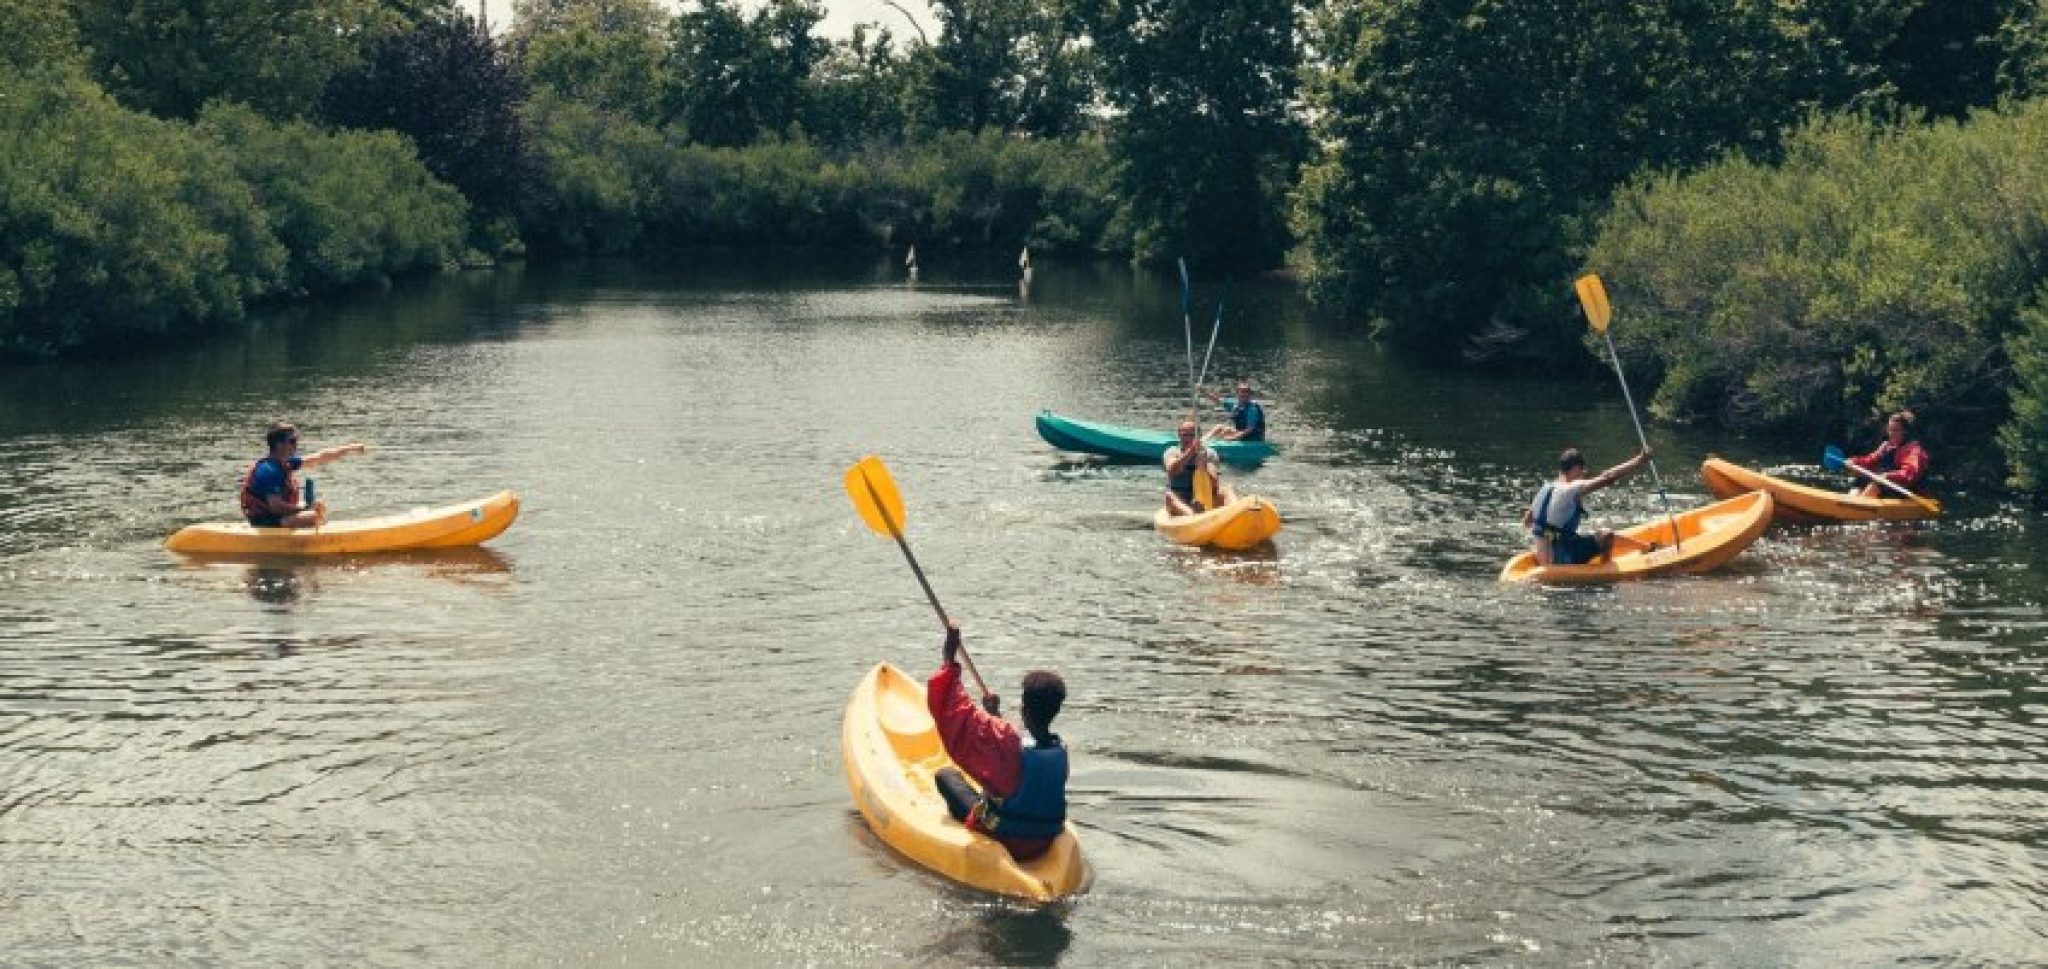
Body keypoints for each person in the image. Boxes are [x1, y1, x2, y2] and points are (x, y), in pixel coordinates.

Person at [927, 622, 1068, 861]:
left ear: (1024, 708)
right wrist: (994, 715)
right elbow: (1015, 755)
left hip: (1003, 831)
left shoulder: (1006, 741)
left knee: (946, 777)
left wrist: (949, 657)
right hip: (1044, 835)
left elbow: (954, 714)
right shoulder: (1059, 750)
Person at [1521, 446, 1655, 566]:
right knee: (1606, 535)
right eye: (1581, 470)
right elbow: (1608, 477)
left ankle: (1646, 547)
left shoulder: (1545, 489)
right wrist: (1640, 460)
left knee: (1576, 536)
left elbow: (1527, 522)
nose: (1582, 474)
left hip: (1542, 556)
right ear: (1575, 468)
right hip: (1561, 559)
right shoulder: (1571, 488)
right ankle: (1606, 568)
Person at [239, 421, 368, 527]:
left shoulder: (286, 462)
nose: (296, 445)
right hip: (264, 521)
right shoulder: (269, 470)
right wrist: (305, 510)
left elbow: (320, 457)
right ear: (279, 445)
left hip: (274, 515)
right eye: (292, 441)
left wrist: (351, 448)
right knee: (312, 515)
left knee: (317, 505)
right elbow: (276, 507)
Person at [1847, 409, 1929, 498]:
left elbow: (1909, 473)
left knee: (1877, 483)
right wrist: (1854, 462)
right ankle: (1850, 504)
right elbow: (1870, 460)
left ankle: (1860, 506)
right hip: (1886, 484)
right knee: (1860, 479)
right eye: (1890, 429)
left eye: (1896, 430)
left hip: (1904, 489)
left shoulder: (1913, 450)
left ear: (1905, 431)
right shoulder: (1886, 446)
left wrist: (1888, 476)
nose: (1891, 433)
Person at [1162, 420, 1236, 516]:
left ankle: (1235, 514)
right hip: (1182, 498)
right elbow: (1172, 472)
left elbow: (1214, 484)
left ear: (1199, 437)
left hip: (1205, 498)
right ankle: (1192, 516)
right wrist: (1190, 452)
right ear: (1179, 436)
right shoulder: (1171, 452)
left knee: (1226, 491)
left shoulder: (1209, 453)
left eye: (1192, 435)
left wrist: (1204, 466)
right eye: (1185, 435)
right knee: (1169, 496)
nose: (1188, 439)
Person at [1202, 381, 1267, 442]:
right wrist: (1203, 391)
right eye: (1241, 391)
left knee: (1225, 433)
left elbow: (1249, 430)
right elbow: (1218, 400)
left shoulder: (1252, 409)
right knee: (1219, 427)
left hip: (1254, 438)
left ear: (1250, 394)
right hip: (1243, 434)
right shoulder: (1235, 405)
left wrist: (1233, 437)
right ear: (1238, 393)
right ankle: (1202, 441)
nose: (1244, 394)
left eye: (1246, 392)